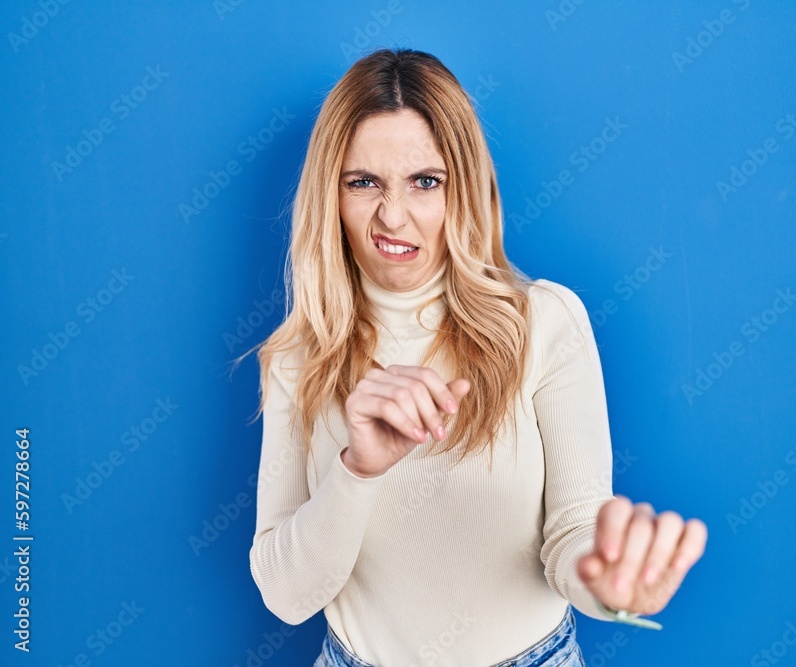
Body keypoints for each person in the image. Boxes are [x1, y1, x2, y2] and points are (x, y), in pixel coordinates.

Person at [243, 47, 707, 667]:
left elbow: (573, 532)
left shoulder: (545, 322)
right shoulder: (300, 356)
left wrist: (609, 588)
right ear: (332, 194)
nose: (392, 216)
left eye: (424, 182)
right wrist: (357, 470)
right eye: (364, 183)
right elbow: (286, 596)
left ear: (464, 186)